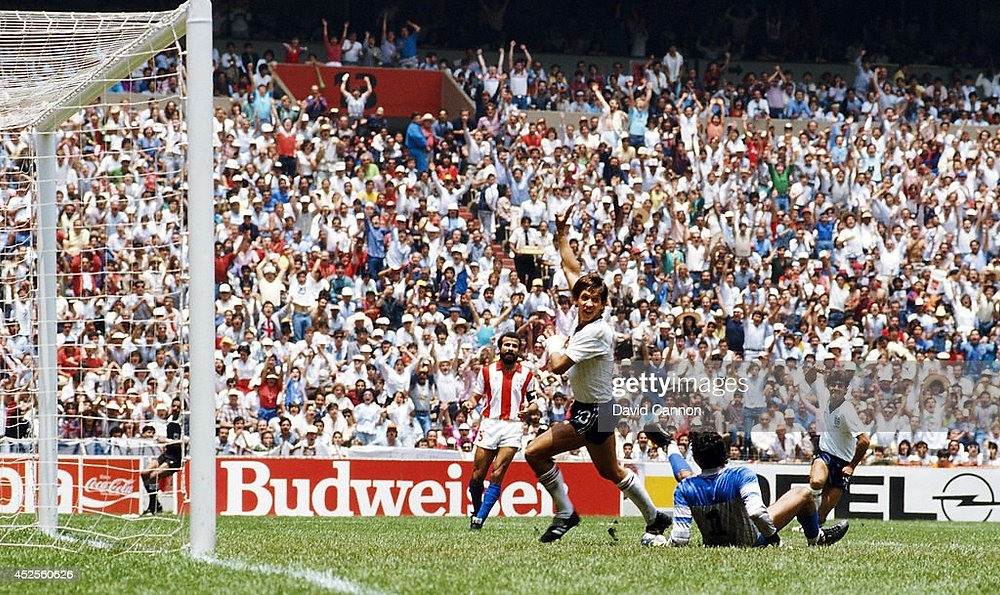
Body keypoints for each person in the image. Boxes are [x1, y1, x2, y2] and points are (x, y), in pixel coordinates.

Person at [524, 204, 670, 543]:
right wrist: (562, 232)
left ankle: (566, 513)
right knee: (611, 471)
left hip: (594, 411)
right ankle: (655, 517)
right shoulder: (586, 317)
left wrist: (552, 340)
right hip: (597, 407)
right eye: (584, 297)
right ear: (578, 300)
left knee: (534, 452)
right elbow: (570, 266)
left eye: (594, 300)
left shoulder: (596, 331)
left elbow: (558, 366)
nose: (588, 302)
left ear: (603, 305)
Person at [648, 427, 848, 547]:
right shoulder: (740, 474)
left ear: (697, 460)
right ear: (725, 453)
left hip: (713, 542)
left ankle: (669, 444)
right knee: (803, 493)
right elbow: (756, 512)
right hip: (752, 540)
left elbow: (680, 538)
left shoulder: (685, 487)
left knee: (685, 477)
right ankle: (817, 538)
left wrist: (656, 542)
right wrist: (775, 541)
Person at [463, 332, 536, 530]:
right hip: (490, 424)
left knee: (498, 471)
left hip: (512, 426)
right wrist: (469, 404)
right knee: (477, 475)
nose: (510, 349)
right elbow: (476, 397)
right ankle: (476, 510)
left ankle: (479, 520)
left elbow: (534, 402)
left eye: (514, 346)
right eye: (507, 345)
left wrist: (530, 409)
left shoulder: (527, 374)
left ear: (519, 350)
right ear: (500, 348)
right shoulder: (487, 372)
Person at [800, 367, 871, 525]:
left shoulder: (847, 411)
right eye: (833, 385)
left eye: (840, 386)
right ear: (829, 386)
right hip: (825, 455)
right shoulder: (824, 395)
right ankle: (807, 516)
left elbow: (864, 440)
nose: (836, 388)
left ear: (846, 390)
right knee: (816, 482)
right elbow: (809, 378)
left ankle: (813, 527)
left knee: (821, 516)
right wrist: (814, 368)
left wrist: (852, 466)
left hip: (843, 463)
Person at [139, 407, 185, 516]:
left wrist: (166, 441)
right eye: (174, 406)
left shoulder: (184, 422)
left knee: (153, 476)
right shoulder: (169, 420)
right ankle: (156, 503)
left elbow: (184, 441)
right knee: (144, 473)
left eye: (178, 407)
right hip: (166, 454)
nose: (175, 408)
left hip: (176, 457)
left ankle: (152, 507)